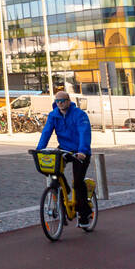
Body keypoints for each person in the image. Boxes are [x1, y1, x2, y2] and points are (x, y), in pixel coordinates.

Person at [36, 90, 93, 227]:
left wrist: (83, 151)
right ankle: (64, 189)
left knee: (78, 182)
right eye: (57, 101)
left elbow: (84, 133)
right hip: (64, 148)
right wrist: (39, 149)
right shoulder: (53, 115)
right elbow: (46, 132)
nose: (60, 103)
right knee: (55, 173)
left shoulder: (79, 114)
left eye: (62, 101)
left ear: (68, 101)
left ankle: (84, 213)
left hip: (80, 151)